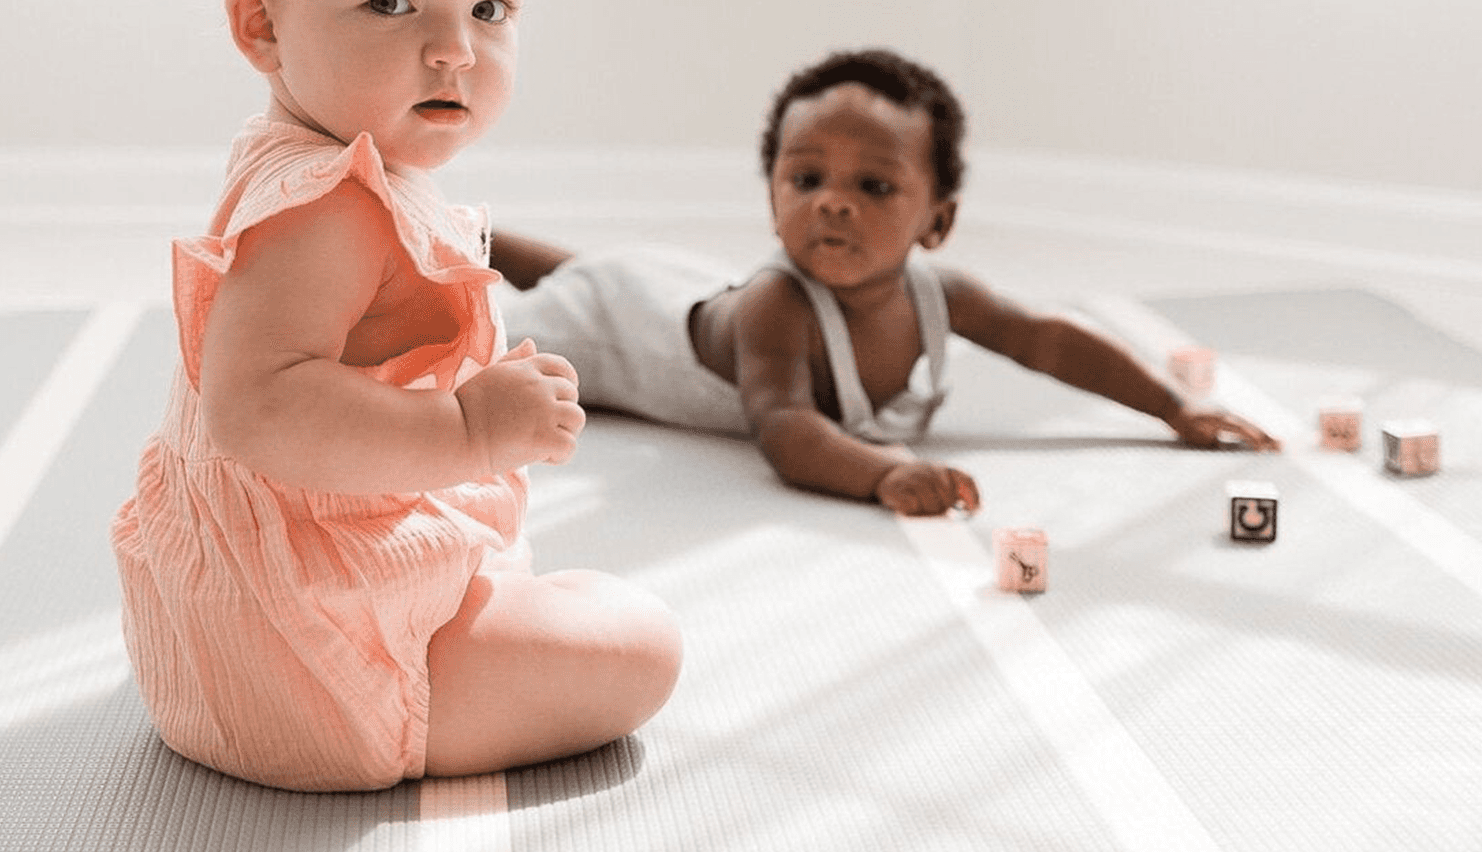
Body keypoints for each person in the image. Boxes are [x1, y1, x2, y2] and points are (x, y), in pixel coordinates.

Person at [111, 0, 681, 793]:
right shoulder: (330, 211)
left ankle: (473, 610)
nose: (455, 48)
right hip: (325, 673)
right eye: (392, 2)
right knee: (646, 645)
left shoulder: (313, 157)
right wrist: (466, 430)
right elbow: (257, 408)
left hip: (244, 640)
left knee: (529, 586)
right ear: (263, 25)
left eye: (491, 9)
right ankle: (453, 663)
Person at [492, 47, 1281, 517]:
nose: (832, 201)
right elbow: (787, 430)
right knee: (485, 323)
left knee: (586, 264)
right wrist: (887, 472)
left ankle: (474, 232)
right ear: (774, 198)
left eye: (874, 188)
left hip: (668, 285)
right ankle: (448, 232)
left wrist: (1174, 408)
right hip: (616, 331)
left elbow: (1047, 341)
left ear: (935, 222)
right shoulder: (778, 306)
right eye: (806, 178)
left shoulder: (943, 297)